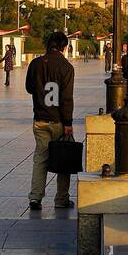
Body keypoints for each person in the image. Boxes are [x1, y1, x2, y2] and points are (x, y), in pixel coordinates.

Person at [24, 31, 74, 210]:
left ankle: (35, 197)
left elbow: (29, 88)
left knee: (40, 158)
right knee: (63, 159)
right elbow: (67, 98)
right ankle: (61, 199)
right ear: (64, 47)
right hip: (59, 121)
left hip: (40, 119)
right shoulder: (66, 67)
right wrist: (68, 123)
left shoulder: (36, 63)